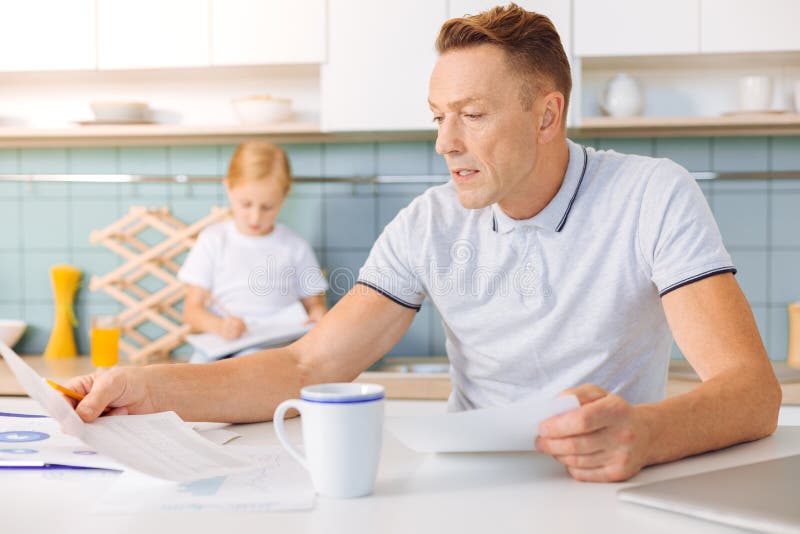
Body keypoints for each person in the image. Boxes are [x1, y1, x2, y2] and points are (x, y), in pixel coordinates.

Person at [66, 5, 780, 482]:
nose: (445, 143)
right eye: (439, 116)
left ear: (547, 115)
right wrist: (149, 387)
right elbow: (308, 363)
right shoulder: (428, 223)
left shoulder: (652, 194)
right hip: (472, 487)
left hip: (608, 487)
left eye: (472, 114)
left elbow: (750, 393)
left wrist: (647, 434)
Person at [179, 141, 328, 355]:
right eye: (246, 204)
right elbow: (191, 311)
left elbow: (314, 303)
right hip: (224, 344)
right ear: (229, 188)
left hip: (277, 348)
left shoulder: (295, 246)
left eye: (267, 207)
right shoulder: (213, 240)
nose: (255, 217)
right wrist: (219, 327)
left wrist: (318, 312)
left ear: (284, 196)